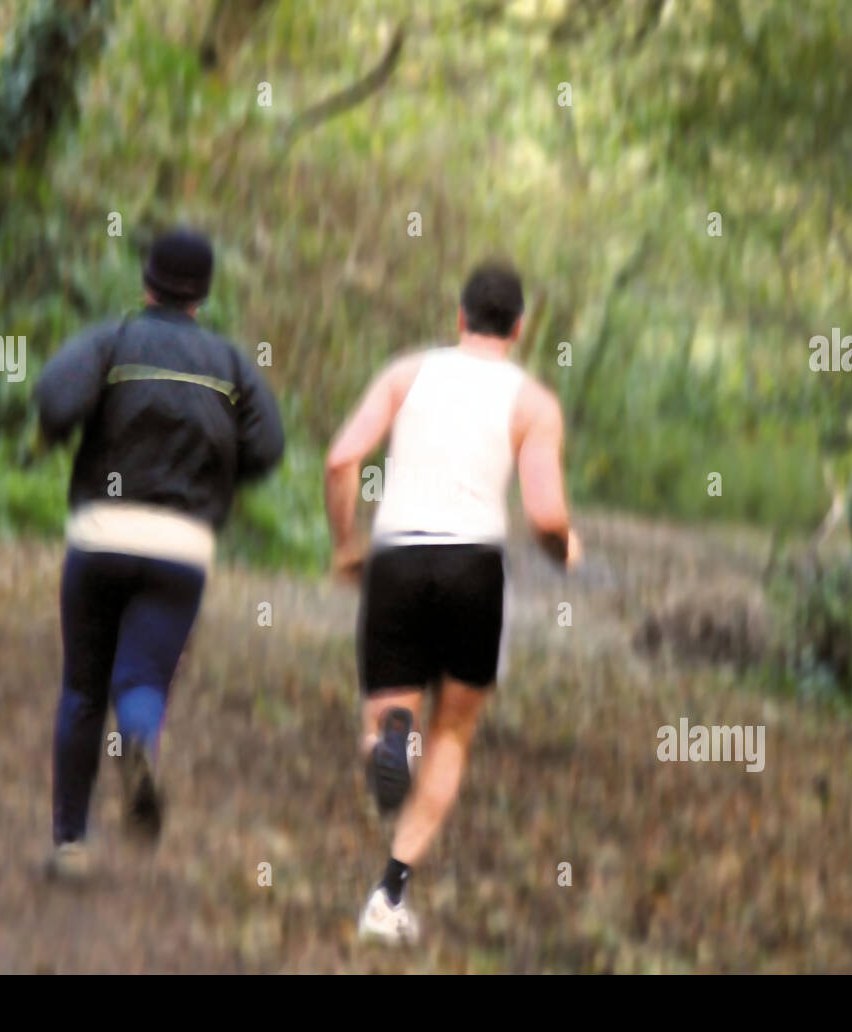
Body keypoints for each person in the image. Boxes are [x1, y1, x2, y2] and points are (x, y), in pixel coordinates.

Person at [324, 261, 581, 944]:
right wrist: (566, 549)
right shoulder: (532, 403)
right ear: (519, 328)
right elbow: (547, 515)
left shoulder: (407, 374)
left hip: (398, 558)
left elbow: (342, 458)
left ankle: (390, 745)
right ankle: (389, 893)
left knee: (386, 716)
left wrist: (347, 543)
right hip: (473, 567)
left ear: (459, 316)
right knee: (454, 731)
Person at [35, 228, 284, 880]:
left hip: (101, 533)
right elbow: (268, 446)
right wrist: (219, 475)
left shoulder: (111, 340)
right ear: (203, 293)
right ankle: (139, 739)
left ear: (146, 279)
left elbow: (56, 396)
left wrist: (58, 432)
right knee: (142, 679)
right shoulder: (230, 362)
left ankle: (71, 844)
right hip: (181, 545)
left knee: (83, 688)